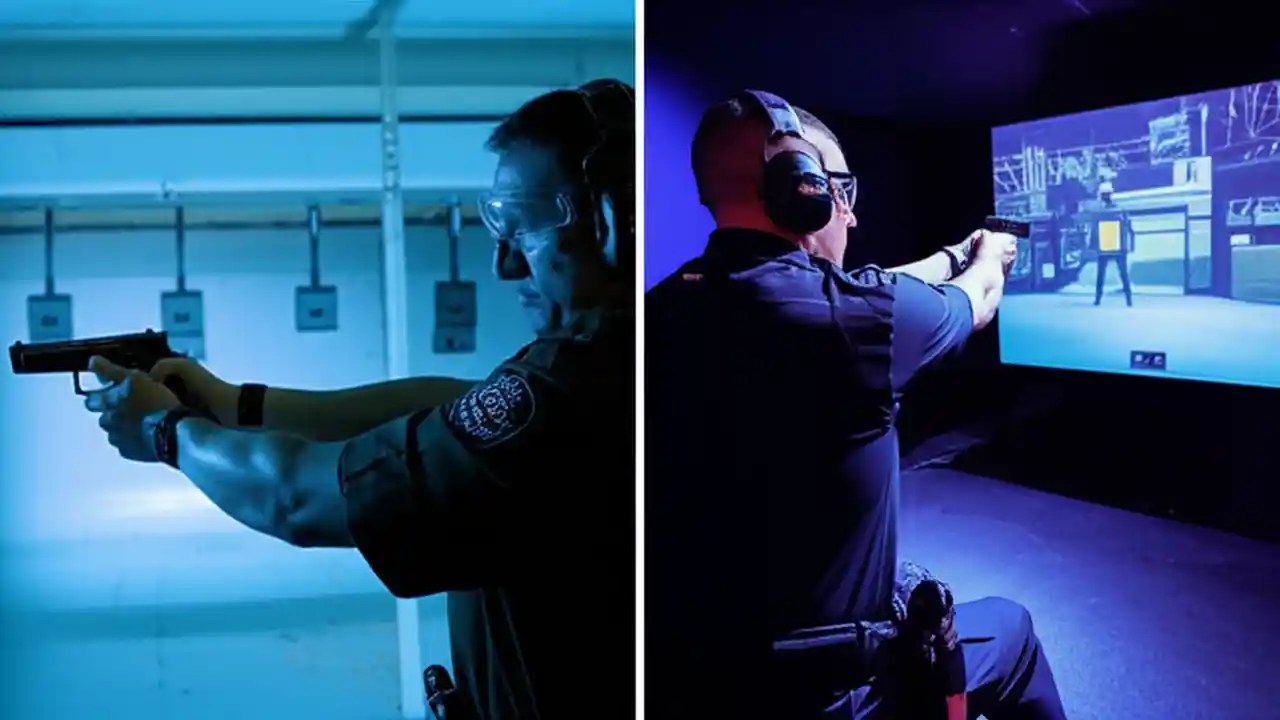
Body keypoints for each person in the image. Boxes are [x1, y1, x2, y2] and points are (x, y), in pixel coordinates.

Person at [84, 80, 636, 720]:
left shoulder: (574, 385)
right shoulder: (613, 366)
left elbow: (295, 499)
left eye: (525, 230)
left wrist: (163, 430)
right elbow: (449, 406)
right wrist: (235, 403)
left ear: (610, 224)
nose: (505, 265)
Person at [646, 90, 1067, 719]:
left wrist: (953, 252)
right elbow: (974, 301)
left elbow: (869, 291)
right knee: (1013, 632)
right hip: (829, 696)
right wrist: (986, 259)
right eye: (838, 188)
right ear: (803, 189)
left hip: (693, 676)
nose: (851, 214)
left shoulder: (667, 306)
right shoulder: (855, 320)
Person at [1090, 182, 1134, 307]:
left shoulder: (1099, 211)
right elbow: (1127, 227)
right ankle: (1128, 299)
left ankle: (1098, 299)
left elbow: (1094, 230)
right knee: (1122, 274)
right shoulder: (1118, 210)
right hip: (1116, 246)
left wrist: (1093, 245)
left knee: (1102, 274)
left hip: (1106, 247)